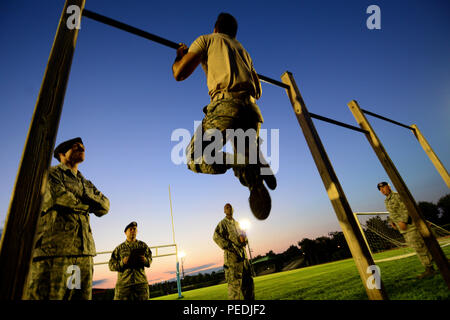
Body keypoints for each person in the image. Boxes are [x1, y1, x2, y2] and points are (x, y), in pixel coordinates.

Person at [172, 13, 276, 220]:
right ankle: (255, 169)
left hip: (226, 106)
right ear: (233, 32)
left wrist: (180, 55)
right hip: (252, 111)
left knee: (194, 157)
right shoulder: (244, 51)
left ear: (216, 28)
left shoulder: (207, 40)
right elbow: (258, 92)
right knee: (249, 169)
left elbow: (179, 74)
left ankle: (244, 162)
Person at [25, 137, 110, 300]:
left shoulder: (85, 183)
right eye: (75, 146)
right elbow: (60, 197)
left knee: (78, 296)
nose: (81, 147)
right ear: (61, 154)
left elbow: (105, 205)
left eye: (83, 146)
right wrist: (88, 205)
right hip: (54, 254)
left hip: (82, 254)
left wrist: (85, 197)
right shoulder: (50, 174)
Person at [377, 181, 437, 279]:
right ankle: (439, 262)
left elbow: (405, 208)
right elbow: (394, 212)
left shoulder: (396, 195)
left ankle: (430, 268)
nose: (382, 190)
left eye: (384, 187)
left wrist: (403, 221)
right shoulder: (386, 200)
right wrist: (392, 222)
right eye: (380, 189)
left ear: (389, 186)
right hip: (404, 229)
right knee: (420, 246)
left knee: (420, 247)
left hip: (410, 226)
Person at [213, 203, 254, 300]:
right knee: (234, 288)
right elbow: (215, 237)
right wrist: (229, 246)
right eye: (226, 207)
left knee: (248, 285)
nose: (229, 208)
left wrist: (244, 239)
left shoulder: (238, 224)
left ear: (233, 210)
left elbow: (245, 239)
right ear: (224, 211)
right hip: (232, 260)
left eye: (230, 207)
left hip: (243, 259)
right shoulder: (222, 224)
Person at [109, 221, 152, 300]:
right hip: (124, 287)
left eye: (135, 229)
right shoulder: (119, 249)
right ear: (125, 232)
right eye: (131, 229)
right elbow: (111, 266)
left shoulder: (143, 245)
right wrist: (122, 262)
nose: (133, 231)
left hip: (140, 285)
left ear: (137, 231)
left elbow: (149, 261)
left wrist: (145, 260)